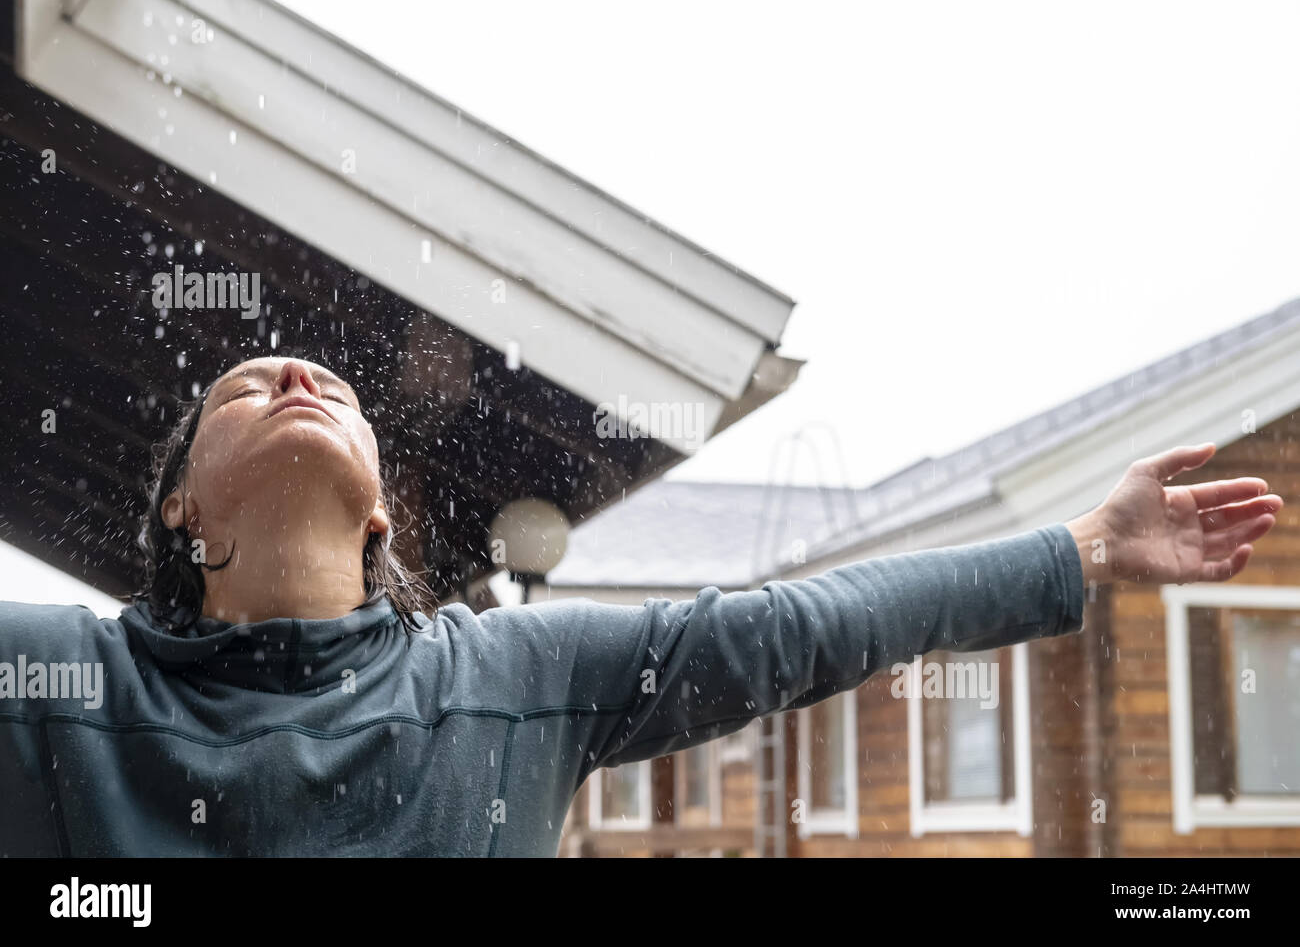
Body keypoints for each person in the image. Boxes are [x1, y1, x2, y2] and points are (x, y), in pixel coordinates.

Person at [0, 357, 1282, 856]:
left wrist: (1078, 549)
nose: (293, 373)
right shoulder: (57, 684)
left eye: (337, 388)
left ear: (381, 513)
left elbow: (797, 627)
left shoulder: (506, 678)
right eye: (240, 388)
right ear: (179, 510)